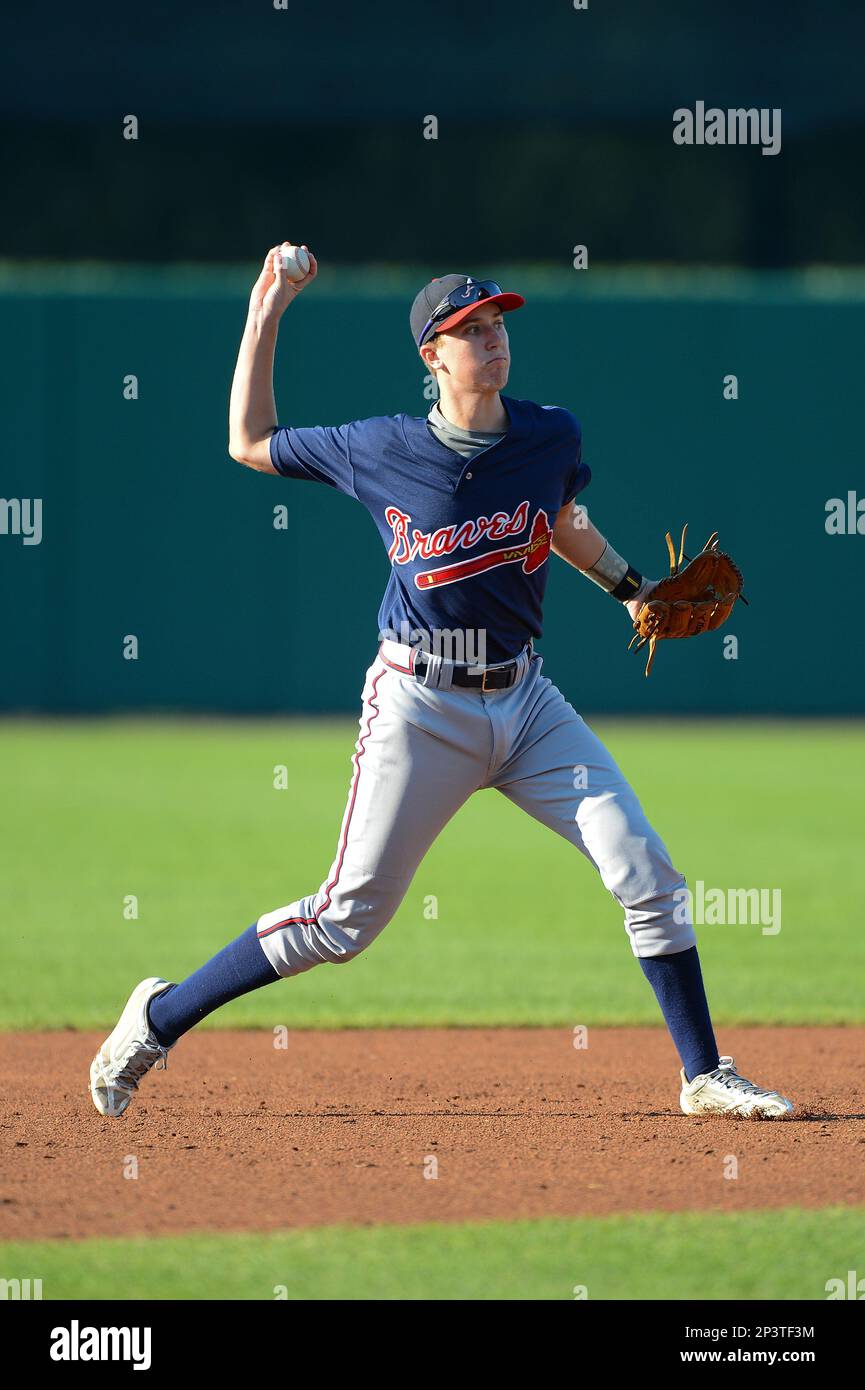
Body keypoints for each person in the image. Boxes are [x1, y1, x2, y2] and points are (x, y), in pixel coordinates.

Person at [89, 244, 793, 1121]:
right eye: (471, 331)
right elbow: (247, 441)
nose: (492, 342)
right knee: (342, 923)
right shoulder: (379, 448)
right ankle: (157, 1017)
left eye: (497, 324)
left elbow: (560, 516)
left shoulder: (548, 434)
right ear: (433, 355)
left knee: (644, 867)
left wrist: (628, 588)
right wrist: (266, 311)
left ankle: (702, 1073)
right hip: (419, 709)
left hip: (528, 703)